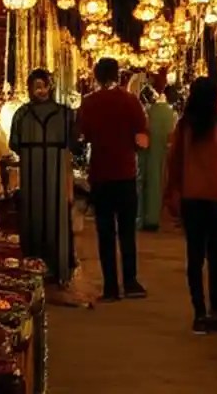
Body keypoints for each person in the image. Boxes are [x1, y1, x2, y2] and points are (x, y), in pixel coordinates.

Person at [164, 76, 217, 335]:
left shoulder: (185, 126)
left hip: (192, 199)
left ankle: (200, 313)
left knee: (195, 257)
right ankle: (216, 311)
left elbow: (174, 163)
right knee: (216, 258)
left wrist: (173, 191)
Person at [76, 57, 149, 301]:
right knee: (127, 231)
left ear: (95, 76)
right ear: (118, 75)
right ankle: (130, 282)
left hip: (100, 175)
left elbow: (80, 137)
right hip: (125, 174)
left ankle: (109, 287)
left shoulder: (88, 103)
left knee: (105, 232)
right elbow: (142, 140)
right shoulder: (131, 102)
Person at [9, 69, 78, 295]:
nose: (40, 90)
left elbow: (15, 144)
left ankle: (47, 271)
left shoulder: (23, 115)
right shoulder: (62, 114)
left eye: (43, 85)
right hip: (46, 172)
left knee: (43, 217)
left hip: (39, 172)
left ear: (50, 86)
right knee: (41, 218)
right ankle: (43, 271)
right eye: (36, 86)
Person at [139, 76, 175, 231]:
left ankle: (144, 217)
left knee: (144, 184)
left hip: (146, 154)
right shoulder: (169, 113)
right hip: (163, 155)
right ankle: (154, 218)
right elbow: (172, 135)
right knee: (159, 184)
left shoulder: (146, 113)